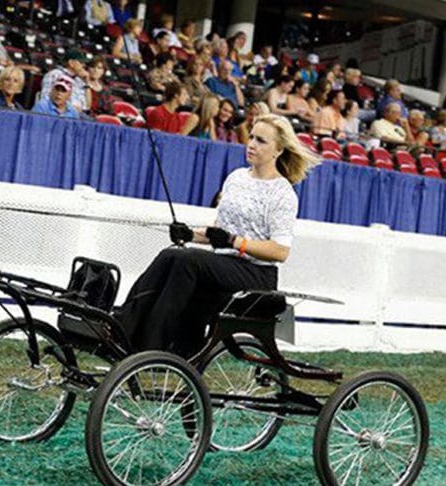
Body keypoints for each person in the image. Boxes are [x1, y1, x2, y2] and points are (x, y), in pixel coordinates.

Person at [118, 114, 319, 356]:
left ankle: (149, 343)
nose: (252, 144)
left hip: (256, 273)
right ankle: (125, 322)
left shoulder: (283, 194)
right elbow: (218, 231)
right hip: (224, 263)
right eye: (252, 137)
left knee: (187, 261)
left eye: (261, 141)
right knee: (171, 254)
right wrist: (190, 234)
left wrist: (236, 242)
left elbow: (280, 251)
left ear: (278, 150)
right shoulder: (236, 178)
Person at [41, 50, 89, 115]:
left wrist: (87, 83)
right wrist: (69, 108)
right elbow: (45, 98)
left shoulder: (79, 80)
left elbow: (87, 107)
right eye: (81, 62)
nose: (83, 65)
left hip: (80, 115)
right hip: (60, 113)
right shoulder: (55, 74)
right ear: (71, 63)